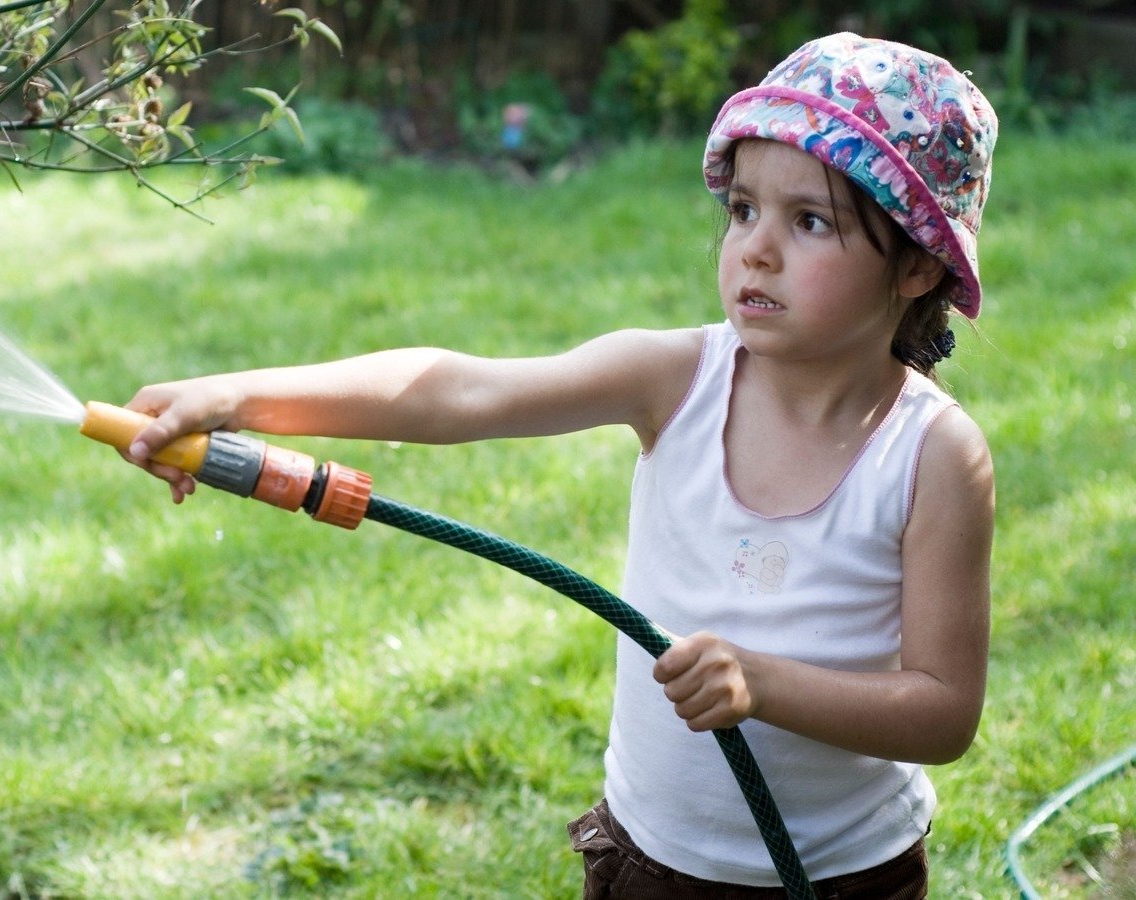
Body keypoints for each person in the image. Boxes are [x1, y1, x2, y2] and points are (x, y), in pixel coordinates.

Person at [121, 31, 997, 899]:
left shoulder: (930, 456)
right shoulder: (677, 381)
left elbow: (941, 711)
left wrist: (763, 684)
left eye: (809, 221)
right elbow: (457, 391)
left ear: (918, 264)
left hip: (842, 879)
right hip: (651, 863)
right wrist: (235, 395)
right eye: (742, 211)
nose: (755, 250)